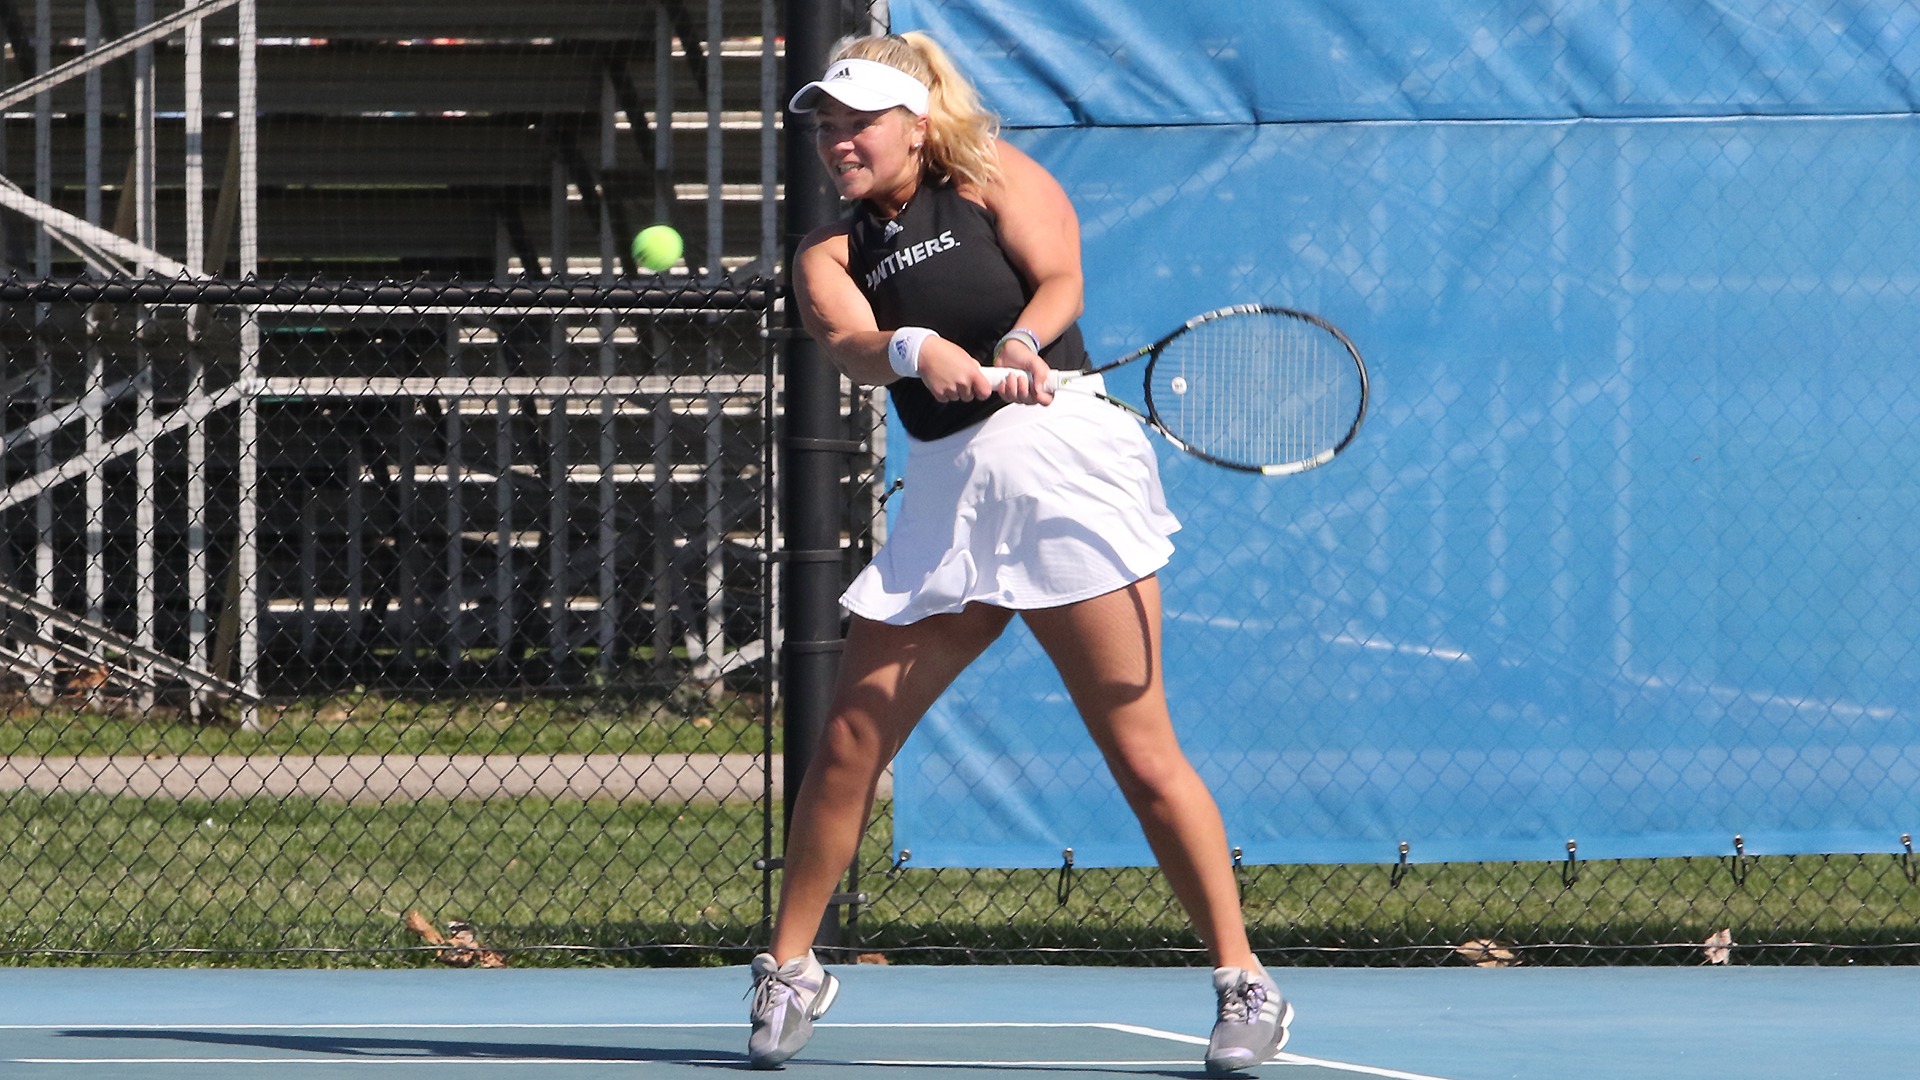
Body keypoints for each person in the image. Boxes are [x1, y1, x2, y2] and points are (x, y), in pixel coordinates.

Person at [750, 32, 1293, 1075]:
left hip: (1064, 474)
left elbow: (1060, 281)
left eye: (859, 119)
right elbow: (856, 344)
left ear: (916, 122)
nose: (840, 140)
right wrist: (917, 350)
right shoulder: (828, 251)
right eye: (827, 121)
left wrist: (1018, 345)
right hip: (948, 499)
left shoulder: (995, 178)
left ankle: (1244, 981)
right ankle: (789, 965)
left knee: (1140, 753)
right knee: (852, 737)